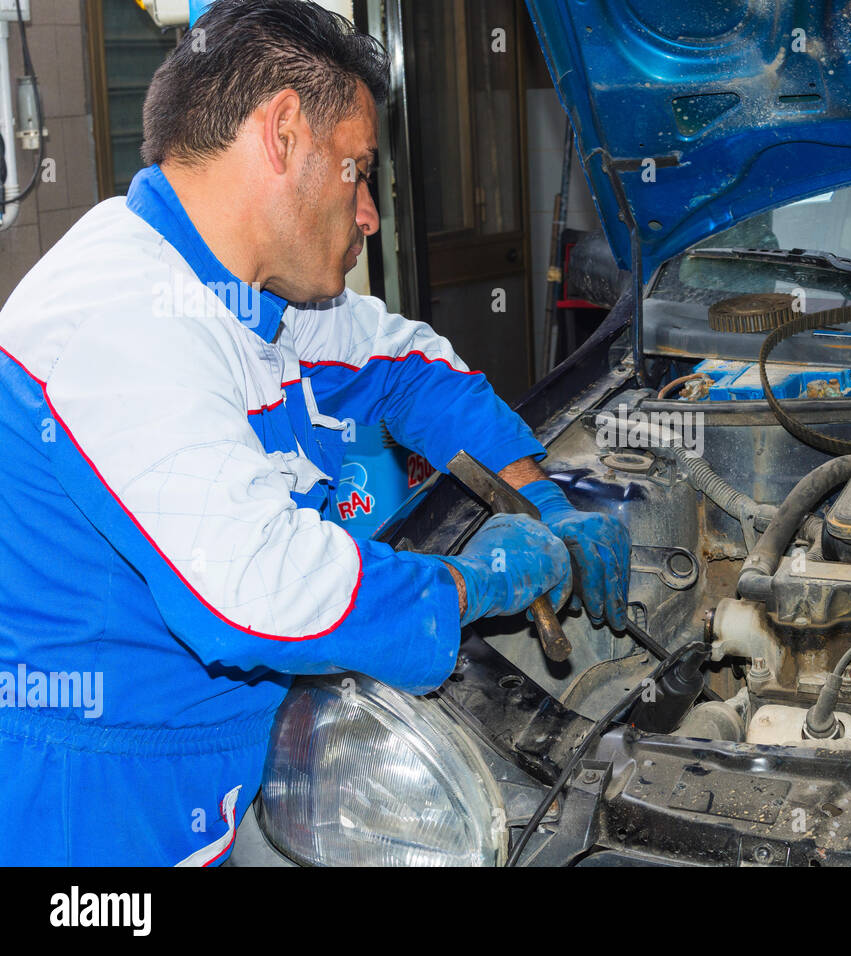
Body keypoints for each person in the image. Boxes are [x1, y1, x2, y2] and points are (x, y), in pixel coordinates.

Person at [0, 0, 628, 865]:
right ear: (284, 132)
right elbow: (259, 593)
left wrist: (543, 498)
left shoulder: (255, 294)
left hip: (227, 767)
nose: (369, 211)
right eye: (357, 169)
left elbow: (409, 367)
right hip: (98, 817)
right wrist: (468, 584)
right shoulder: (119, 317)